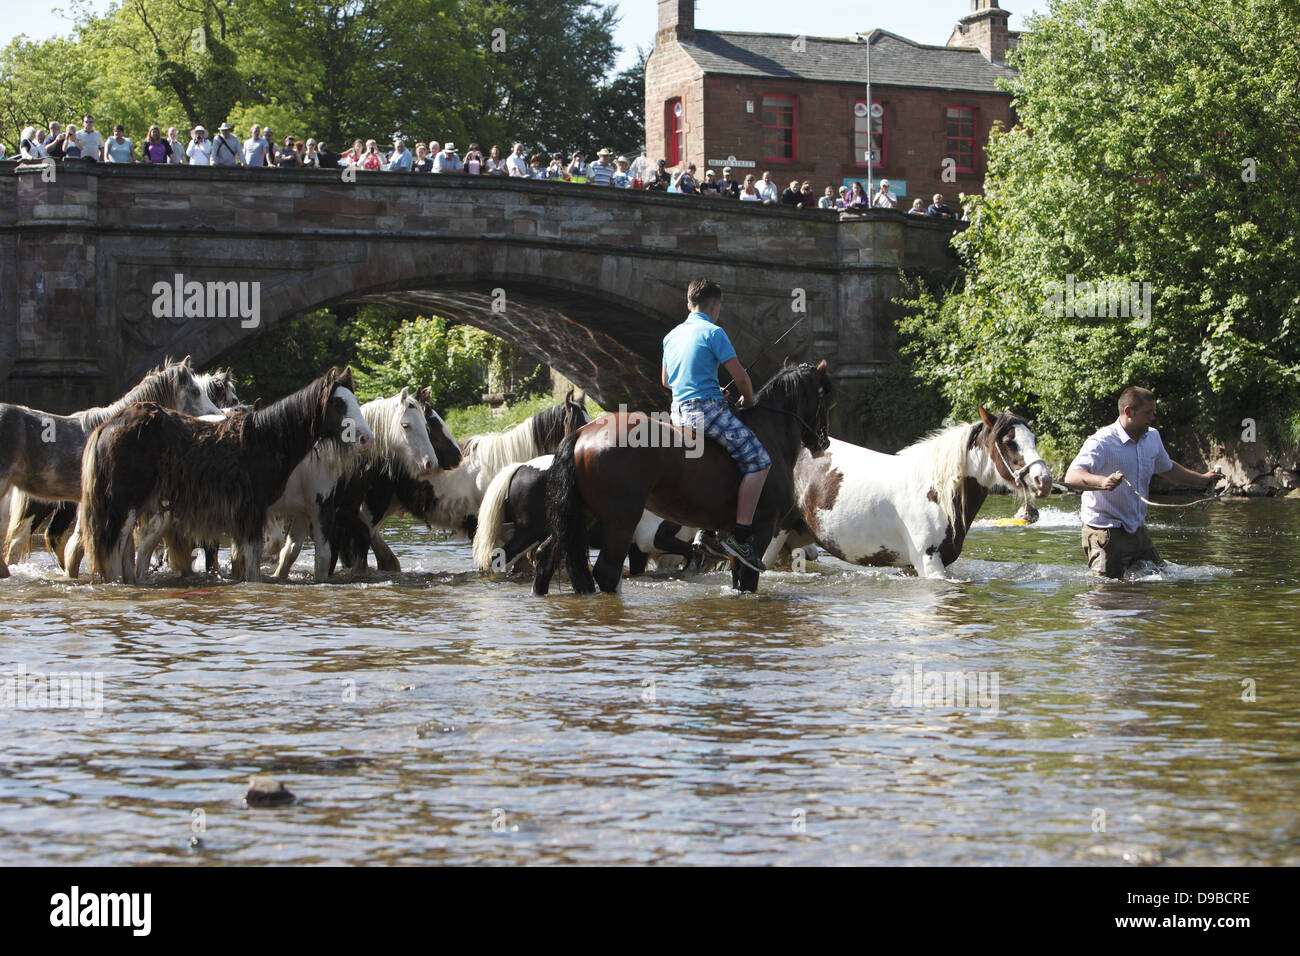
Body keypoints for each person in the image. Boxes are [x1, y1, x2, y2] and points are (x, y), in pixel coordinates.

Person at [661, 278, 771, 573]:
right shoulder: (714, 331)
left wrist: (711, 389)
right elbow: (742, 378)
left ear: (688, 303)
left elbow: (666, 381)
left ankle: (708, 532)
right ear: (715, 305)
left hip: (677, 414)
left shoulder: (671, 336)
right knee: (759, 461)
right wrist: (748, 401)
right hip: (704, 412)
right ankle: (742, 536)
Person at [1064, 386, 1221, 579]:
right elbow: (1071, 476)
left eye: (1154, 412)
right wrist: (1102, 481)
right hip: (1104, 531)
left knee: (1157, 579)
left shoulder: (1152, 436)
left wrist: (1203, 480)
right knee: (1106, 592)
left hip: (1137, 530)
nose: (1153, 417)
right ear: (1129, 411)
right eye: (1148, 412)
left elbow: (1167, 468)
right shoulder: (1101, 441)